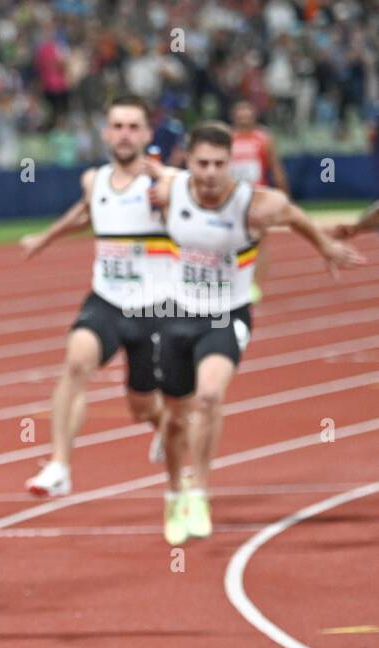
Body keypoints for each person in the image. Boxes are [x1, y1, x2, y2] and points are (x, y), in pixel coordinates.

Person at [147, 122, 364, 544]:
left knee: (209, 396)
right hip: (177, 312)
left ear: (231, 163)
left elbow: (294, 215)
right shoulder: (171, 188)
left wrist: (325, 247)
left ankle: (200, 493)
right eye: (201, 163)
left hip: (228, 313)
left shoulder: (256, 204)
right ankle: (174, 494)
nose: (210, 172)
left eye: (218, 164)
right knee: (174, 417)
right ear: (187, 162)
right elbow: (140, 169)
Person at [21, 95, 172, 498]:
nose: (124, 134)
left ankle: (162, 426)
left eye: (133, 127)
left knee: (141, 406)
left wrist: (170, 191)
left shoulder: (165, 184)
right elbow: (85, 213)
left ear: (146, 134)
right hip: (106, 298)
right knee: (76, 361)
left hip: (154, 308)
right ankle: (59, 466)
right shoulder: (95, 180)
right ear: (106, 133)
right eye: (117, 126)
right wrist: (45, 238)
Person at [230, 99, 290, 302]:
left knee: (260, 242)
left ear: (254, 115)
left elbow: (275, 168)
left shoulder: (263, 139)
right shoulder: (227, 138)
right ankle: (234, 282)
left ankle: (255, 285)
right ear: (234, 115)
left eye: (247, 111)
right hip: (232, 198)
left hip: (258, 198)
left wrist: (283, 196)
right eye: (240, 111)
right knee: (232, 241)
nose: (244, 116)